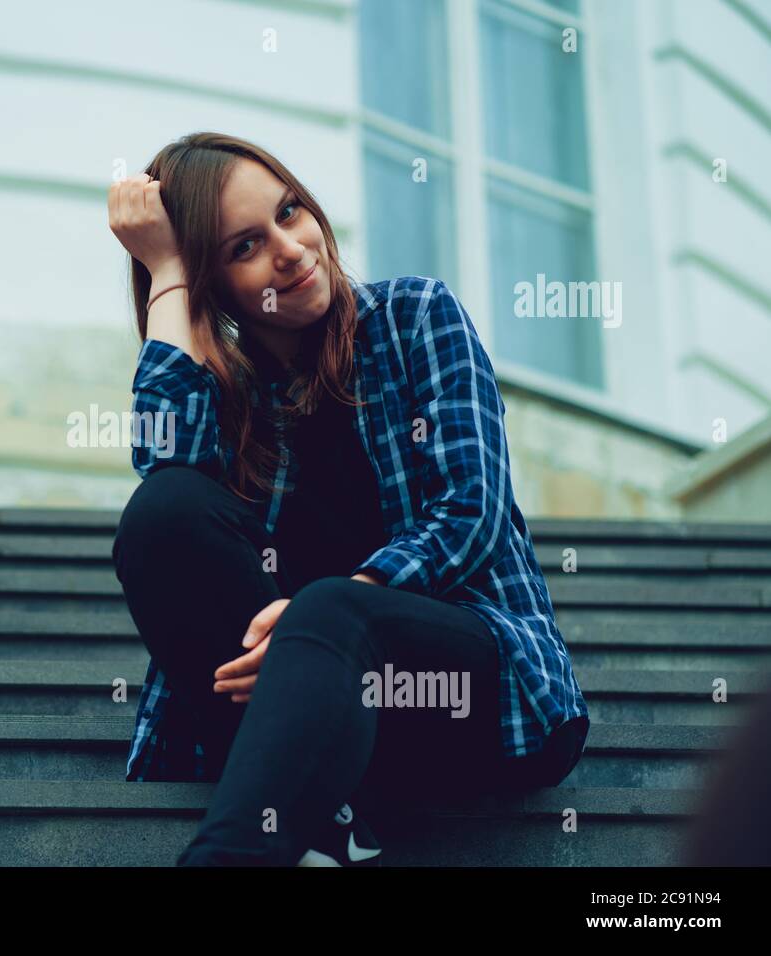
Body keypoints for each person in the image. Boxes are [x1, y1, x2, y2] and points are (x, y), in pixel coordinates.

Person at [106, 132, 590, 866]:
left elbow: (472, 512)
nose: (292, 249)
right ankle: (323, 825)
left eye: (291, 211)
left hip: (460, 692)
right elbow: (163, 465)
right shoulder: (232, 396)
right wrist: (167, 273)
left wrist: (334, 606)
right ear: (217, 284)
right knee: (165, 514)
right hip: (311, 725)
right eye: (244, 247)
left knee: (331, 607)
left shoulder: (417, 318)